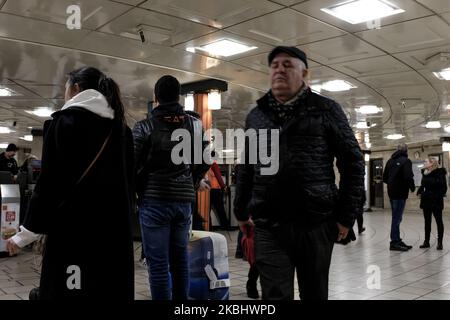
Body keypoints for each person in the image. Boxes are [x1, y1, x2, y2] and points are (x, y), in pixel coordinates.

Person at [234, 46, 365, 300]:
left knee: (314, 292)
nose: (279, 70)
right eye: (274, 65)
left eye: (287, 64)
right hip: (269, 223)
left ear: (304, 72)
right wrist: (241, 210)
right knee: (273, 294)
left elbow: (353, 162)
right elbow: (247, 166)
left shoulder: (326, 110)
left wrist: (346, 217)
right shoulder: (257, 116)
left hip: (315, 223)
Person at [6, 67, 135, 299]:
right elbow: (129, 186)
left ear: (76, 88)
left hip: (73, 233)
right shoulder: (122, 130)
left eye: (66, 87)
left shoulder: (64, 123)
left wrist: (25, 234)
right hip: (112, 235)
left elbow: (49, 185)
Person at [133, 75, 209, 300]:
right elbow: (205, 159)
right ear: (179, 97)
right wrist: (191, 182)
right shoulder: (195, 124)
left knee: (158, 265)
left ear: (155, 98)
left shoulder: (145, 126)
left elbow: (131, 164)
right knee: (180, 262)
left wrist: (140, 190)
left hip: (154, 201)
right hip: (183, 204)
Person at [383, 143, 415, 251]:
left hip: (391, 192)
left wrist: (393, 184)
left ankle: (397, 239)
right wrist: (412, 187)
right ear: (406, 151)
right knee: (397, 218)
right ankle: (394, 242)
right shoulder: (406, 161)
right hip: (400, 193)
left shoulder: (389, 161)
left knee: (396, 217)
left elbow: (385, 178)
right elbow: (408, 176)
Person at [417, 157, 446, 250]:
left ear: (431, 163)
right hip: (426, 201)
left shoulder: (439, 173)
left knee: (439, 222)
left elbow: (444, 188)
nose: (424, 163)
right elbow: (424, 185)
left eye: (425, 162)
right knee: (427, 222)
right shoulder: (425, 173)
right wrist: (420, 190)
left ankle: (440, 243)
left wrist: (436, 196)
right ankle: (426, 242)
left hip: (436, 201)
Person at [208, 159, 230, 230]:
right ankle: (226, 226)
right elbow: (218, 176)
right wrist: (224, 186)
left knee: (207, 209)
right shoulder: (214, 164)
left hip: (208, 189)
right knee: (220, 209)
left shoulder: (206, 164)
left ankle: (209, 226)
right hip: (215, 189)